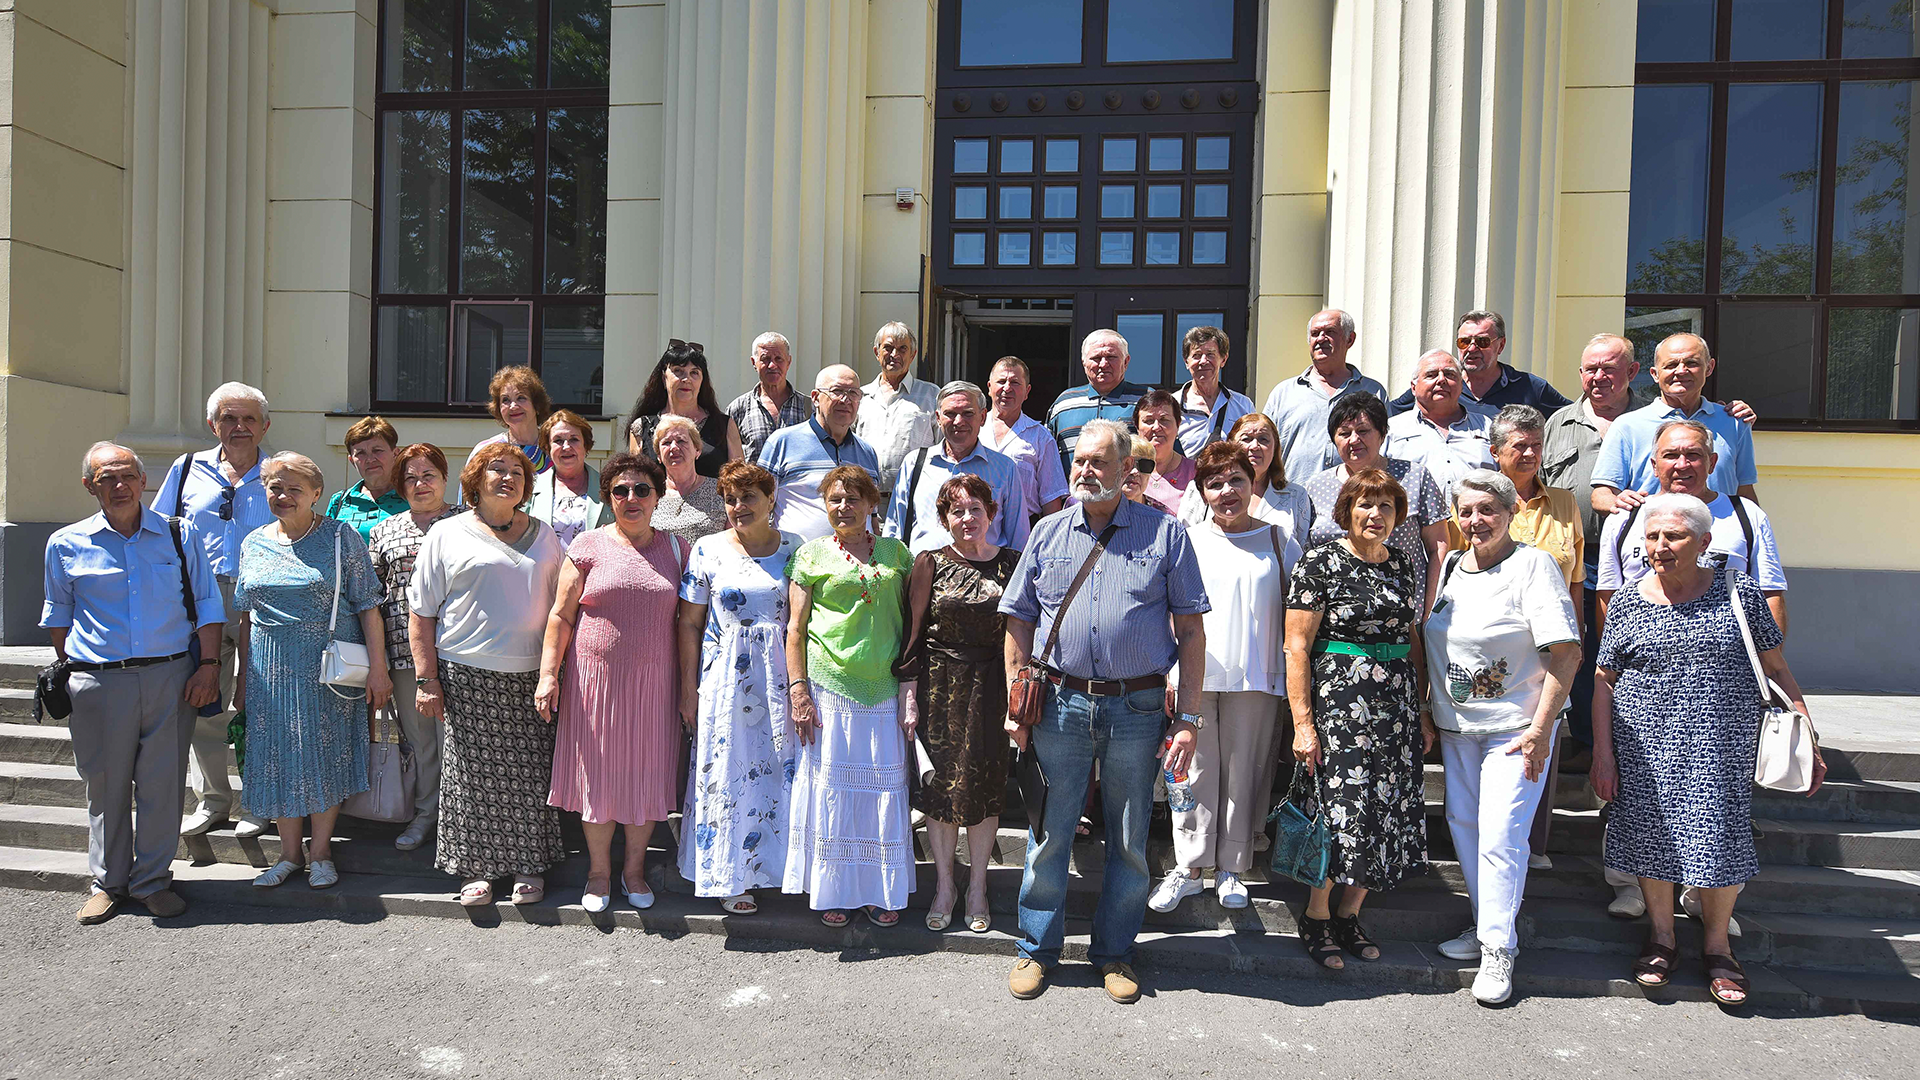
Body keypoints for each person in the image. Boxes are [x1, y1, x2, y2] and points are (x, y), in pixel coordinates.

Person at [1001, 418, 1209, 1005]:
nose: (1086, 471)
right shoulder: (1046, 534)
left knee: (1127, 839)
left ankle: (1114, 951)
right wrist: (1017, 695)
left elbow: (1191, 633)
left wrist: (1188, 719)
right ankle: (1035, 949)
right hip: (1060, 706)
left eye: (1099, 462)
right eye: (1079, 461)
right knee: (1050, 834)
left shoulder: (1165, 534)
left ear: (1127, 470)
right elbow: (1017, 616)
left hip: (1138, 708)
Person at [1590, 493, 1823, 1007]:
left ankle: (1718, 949)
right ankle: (1662, 937)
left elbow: (1776, 668)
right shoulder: (1629, 599)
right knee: (1650, 839)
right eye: (1652, 537)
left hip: (1720, 746)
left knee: (1719, 841)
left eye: (1672, 536)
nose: (1660, 546)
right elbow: (1605, 679)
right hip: (1643, 746)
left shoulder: (1737, 592)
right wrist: (1602, 754)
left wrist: (1809, 733)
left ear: (1704, 541)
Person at [43, 443, 223, 923]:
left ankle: (152, 882)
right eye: (106, 478)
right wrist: (80, 670)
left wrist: (208, 666)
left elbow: (207, 604)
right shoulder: (64, 543)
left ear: (143, 481)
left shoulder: (179, 534)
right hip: (100, 684)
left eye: (127, 476)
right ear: (89, 485)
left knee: (162, 786)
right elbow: (60, 619)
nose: (118, 486)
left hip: (169, 677)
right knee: (105, 786)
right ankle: (108, 882)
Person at [1423, 469, 1582, 1004]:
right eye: (1466, 511)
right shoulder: (1450, 565)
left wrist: (1542, 729)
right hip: (1458, 726)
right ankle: (1484, 923)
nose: (1476, 520)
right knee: (1465, 827)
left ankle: (1498, 949)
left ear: (1512, 512)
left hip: (1517, 731)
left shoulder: (1532, 565)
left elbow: (1566, 651)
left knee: (1500, 835)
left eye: (1488, 509)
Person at [1284, 468, 1432, 971]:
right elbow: (1297, 645)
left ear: (1398, 516)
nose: (1375, 515)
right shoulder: (1320, 562)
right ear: (1346, 512)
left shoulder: (1403, 566)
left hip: (1396, 705)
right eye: (1365, 505)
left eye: (1386, 506)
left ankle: (1350, 914)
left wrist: (1424, 710)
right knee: (1339, 808)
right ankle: (1317, 915)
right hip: (1340, 702)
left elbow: (1412, 638)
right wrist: (1303, 724)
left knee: (1383, 809)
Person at [409, 443, 568, 907]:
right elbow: (421, 612)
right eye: (497, 469)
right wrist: (426, 680)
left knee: (528, 776)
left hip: (531, 675)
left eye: (517, 470)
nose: (508, 477)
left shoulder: (546, 536)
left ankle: (528, 867)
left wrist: (553, 671)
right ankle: (476, 870)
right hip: (466, 676)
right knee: (471, 775)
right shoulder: (447, 533)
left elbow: (561, 607)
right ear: (475, 479)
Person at [1151, 443, 1299, 915]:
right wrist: (1170, 672)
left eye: (1236, 479)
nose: (1227, 491)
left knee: (1245, 771)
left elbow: (1299, 612)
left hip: (1258, 676)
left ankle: (1232, 867)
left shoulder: (1280, 540)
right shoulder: (1186, 538)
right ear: (1203, 492)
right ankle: (1190, 867)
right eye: (1215, 483)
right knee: (1189, 771)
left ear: (1252, 483)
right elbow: (1167, 611)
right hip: (1196, 675)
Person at [537, 453, 688, 913]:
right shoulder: (587, 544)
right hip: (594, 684)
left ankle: (634, 871)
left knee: (645, 777)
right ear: (609, 498)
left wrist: (688, 689)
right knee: (598, 779)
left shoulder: (678, 548)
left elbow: (689, 623)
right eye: (620, 490)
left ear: (658, 496)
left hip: (655, 683)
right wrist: (548, 675)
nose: (631, 498)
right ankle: (599, 873)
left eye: (642, 489)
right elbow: (562, 615)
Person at [233, 453, 391, 890]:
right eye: (274, 487)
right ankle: (288, 856)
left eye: (294, 488)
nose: (282, 496)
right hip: (270, 668)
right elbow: (246, 616)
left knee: (323, 756)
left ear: (317, 494)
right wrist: (243, 677)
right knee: (278, 758)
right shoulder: (253, 542)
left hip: (327, 668)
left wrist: (379, 669)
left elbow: (368, 606)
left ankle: (320, 853)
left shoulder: (341, 538)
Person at [783, 465, 917, 926]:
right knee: (834, 792)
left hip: (883, 687)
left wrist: (910, 686)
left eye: (853, 499)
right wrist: (799, 689)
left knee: (881, 791)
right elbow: (795, 629)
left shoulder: (898, 554)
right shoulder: (810, 555)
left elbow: (913, 625)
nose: (843, 507)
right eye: (835, 499)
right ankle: (834, 890)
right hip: (828, 688)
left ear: (871, 503)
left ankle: (880, 891)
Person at [894, 474, 1021, 933]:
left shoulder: (1013, 563)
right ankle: (945, 884)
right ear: (944, 518)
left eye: (975, 509)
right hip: (939, 686)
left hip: (992, 688)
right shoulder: (929, 562)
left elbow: (1023, 633)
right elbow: (911, 633)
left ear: (992, 512)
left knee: (986, 790)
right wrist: (908, 694)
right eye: (956, 510)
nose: (967, 518)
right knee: (940, 792)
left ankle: (979, 886)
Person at [676, 462, 802, 913]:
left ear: (771, 501)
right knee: (729, 772)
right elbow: (689, 623)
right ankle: (731, 875)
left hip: (781, 678)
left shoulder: (796, 549)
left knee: (779, 769)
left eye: (749, 497)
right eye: (731, 499)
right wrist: (688, 688)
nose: (738, 507)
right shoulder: (707, 549)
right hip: (726, 677)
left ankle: (785, 870)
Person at [151, 381, 275, 839]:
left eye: (248, 419)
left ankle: (261, 801)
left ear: (265, 425)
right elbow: (161, 532)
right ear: (212, 424)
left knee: (260, 703)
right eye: (228, 418)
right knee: (203, 700)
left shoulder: (281, 471)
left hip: (261, 602)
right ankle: (213, 801)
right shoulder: (187, 469)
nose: (239, 427)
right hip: (198, 601)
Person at [1471, 404, 1586, 872]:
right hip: (1492, 653)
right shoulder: (1477, 499)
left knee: (1542, 746)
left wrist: (1570, 645)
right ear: (1496, 452)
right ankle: (1485, 845)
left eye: (1537, 445)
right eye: (1519, 445)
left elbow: (1575, 578)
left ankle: (1531, 845)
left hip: (1548, 651)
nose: (1530, 453)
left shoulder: (1564, 503)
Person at [1541, 335, 1643, 762]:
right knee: (1577, 646)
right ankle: (1585, 739)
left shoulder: (1652, 419)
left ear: (1632, 372)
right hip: (1573, 557)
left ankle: (1631, 740)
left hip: (1637, 559)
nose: (1597, 377)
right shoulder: (1557, 423)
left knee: (1630, 648)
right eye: (1589, 369)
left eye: (1608, 368)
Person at [1596, 420, 1788, 636]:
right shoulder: (1624, 517)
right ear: (1654, 466)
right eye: (1670, 455)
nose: (1682, 464)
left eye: (1693, 455)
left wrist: (1770, 664)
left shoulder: (1747, 515)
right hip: (1643, 662)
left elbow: (1770, 593)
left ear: (1712, 463)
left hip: (1727, 663)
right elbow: (1608, 596)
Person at [367, 443, 463, 851]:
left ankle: (461, 824)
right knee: (422, 742)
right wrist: (378, 662)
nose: (420, 484)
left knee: (458, 743)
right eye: (409, 477)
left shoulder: (470, 523)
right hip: (406, 656)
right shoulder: (383, 531)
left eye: (428, 475)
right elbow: (371, 598)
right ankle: (427, 816)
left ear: (445, 478)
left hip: (462, 652)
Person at [1301, 393, 1452, 610]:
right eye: (1344, 433)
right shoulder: (1315, 487)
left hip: (1403, 615)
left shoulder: (1414, 477)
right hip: (1334, 618)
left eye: (1363, 431)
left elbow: (1438, 546)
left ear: (1382, 435)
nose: (1354, 440)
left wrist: (1430, 609)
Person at [1591, 333, 1757, 515]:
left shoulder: (1733, 423)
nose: (1681, 371)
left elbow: (1745, 491)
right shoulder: (1627, 426)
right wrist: (1619, 503)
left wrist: (1754, 534)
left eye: (1691, 363)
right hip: (1654, 537)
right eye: (1670, 365)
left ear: (1709, 368)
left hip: (1720, 537)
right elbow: (1601, 494)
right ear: (1655, 374)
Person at [882, 381, 1019, 554]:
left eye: (968, 413)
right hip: (923, 576)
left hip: (984, 578)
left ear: (983, 417)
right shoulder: (915, 463)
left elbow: (1018, 540)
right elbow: (894, 529)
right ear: (938, 418)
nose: (959, 421)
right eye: (950, 414)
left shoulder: (1005, 469)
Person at [1260, 309, 1388, 487]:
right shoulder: (1283, 393)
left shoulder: (1373, 392)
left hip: (1358, 500)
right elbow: (1264, 448)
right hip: (1293, 501)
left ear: (1349, 339)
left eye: (1330, 332)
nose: (1321, 338)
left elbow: (1388, 447)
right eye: (1315, 334)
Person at [758, 365, 881, 542]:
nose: (846, 400)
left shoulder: (867, 453)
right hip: (794, 562)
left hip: (858, 565)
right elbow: (758, 508)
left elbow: (873, 518)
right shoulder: (781, 443)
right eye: (837, 391)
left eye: (853, 393)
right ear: (815, 398)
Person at [1387, 310, 1572, 416]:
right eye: (1464, 342)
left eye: (1482, 342)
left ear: (1501, 345)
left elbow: (1572, 418)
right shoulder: (1441, 384)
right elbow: (1388, 413)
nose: (1472, 348)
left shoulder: (1529, 387)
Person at [1175, 413, 1314, 538]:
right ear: (1231, 445)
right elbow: (1186, 539)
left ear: (1275, 446)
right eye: (1246, 439)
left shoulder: (1295, 495)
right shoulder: (1200, 488)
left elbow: (1302, 551)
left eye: (1263, 439)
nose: (1255, 446)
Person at [982, 356, 1070, 546]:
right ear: (989, 387)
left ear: (1027, 391)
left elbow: (1051, 503)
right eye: (1001, 381)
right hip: (974, 534)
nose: (1007, 388)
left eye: (1015, 382)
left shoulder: (1040, 437)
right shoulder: (973, 430)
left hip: (1024, 538)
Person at [1385, 350, 1497, 497]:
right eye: (1431, 375)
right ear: (1413, 387)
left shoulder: (1486, 426)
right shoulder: (1391, 429)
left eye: (1450, 374)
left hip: (1475, 518)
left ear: (1461, 386)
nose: (1441, 380)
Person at [627, 339, 743, 476]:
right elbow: (635, 481)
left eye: (694, 373)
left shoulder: (724, 425)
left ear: (702, 381)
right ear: (664, 378)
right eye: (678, 371)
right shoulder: (642, 427)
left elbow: (739, 482)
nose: (686, 379)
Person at [1046, 329, 1152, 476]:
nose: (1103, 364)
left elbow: (1165, 454)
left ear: (1126, 361)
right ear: (1083, 362)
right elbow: (1047, 461)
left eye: (1111, 357)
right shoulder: (1063, 404)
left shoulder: (1147, 401)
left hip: (1129, 497)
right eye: (1096, 358)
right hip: (1074, 497)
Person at [855, 321, 940, 498]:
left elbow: (943, 448)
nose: (895, 354)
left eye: (902, 349)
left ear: (913, 355)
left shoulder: (931, 395)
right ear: (876, 352)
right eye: (888, 348)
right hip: (865, 501)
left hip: (913, 500)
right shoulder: (859, 397)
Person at [527, 409, 611, 549]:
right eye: (558, 440)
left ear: (586, 446)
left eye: (574, 439)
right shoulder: (530, 487)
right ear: (547, 448)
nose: (566, 447)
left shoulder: (609, 487)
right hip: (546, 570)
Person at [727, 331, 810, 465]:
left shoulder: (808, 408)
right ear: (754, 362)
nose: (772, 365)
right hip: (753, 485)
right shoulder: (738, 409)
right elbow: (731, 462)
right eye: (765, 359)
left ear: (789, 362)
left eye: (779, 359)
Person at [650, 414, 729, 547]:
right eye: (666, 443)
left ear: (697, 450)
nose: (674, 447)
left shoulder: (722, 490)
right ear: (658, 455)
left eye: (681, 441)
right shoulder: (650, 494)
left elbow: (736, 538)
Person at [1174, 326, 1255, 455]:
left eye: (1210, 354)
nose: (1203, 361)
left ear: (1223, 360)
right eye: (1196, 355)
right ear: (1186, 362)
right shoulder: (1171, 405)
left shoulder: (1243, 405)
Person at [326, 416, 407, 541]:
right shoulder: (340, 501)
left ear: (395, 454)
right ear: (352, 461)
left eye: (377, 450)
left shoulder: (412, 496)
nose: (370, 459)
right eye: (361, 453)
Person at [467, 366, 554, 474]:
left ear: (536, 404)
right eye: (505, 400)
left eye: (521, 398)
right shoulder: (484, 451)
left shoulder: (556, 447)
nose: (513, 406)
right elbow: (468, 490)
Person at [1133, 389, 1195, 516]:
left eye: (1164, 420)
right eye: (1149, 421)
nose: (1156, 427)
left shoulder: (1196, 472)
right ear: (1137, 426)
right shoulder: (1125, 470)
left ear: (1178, 425)